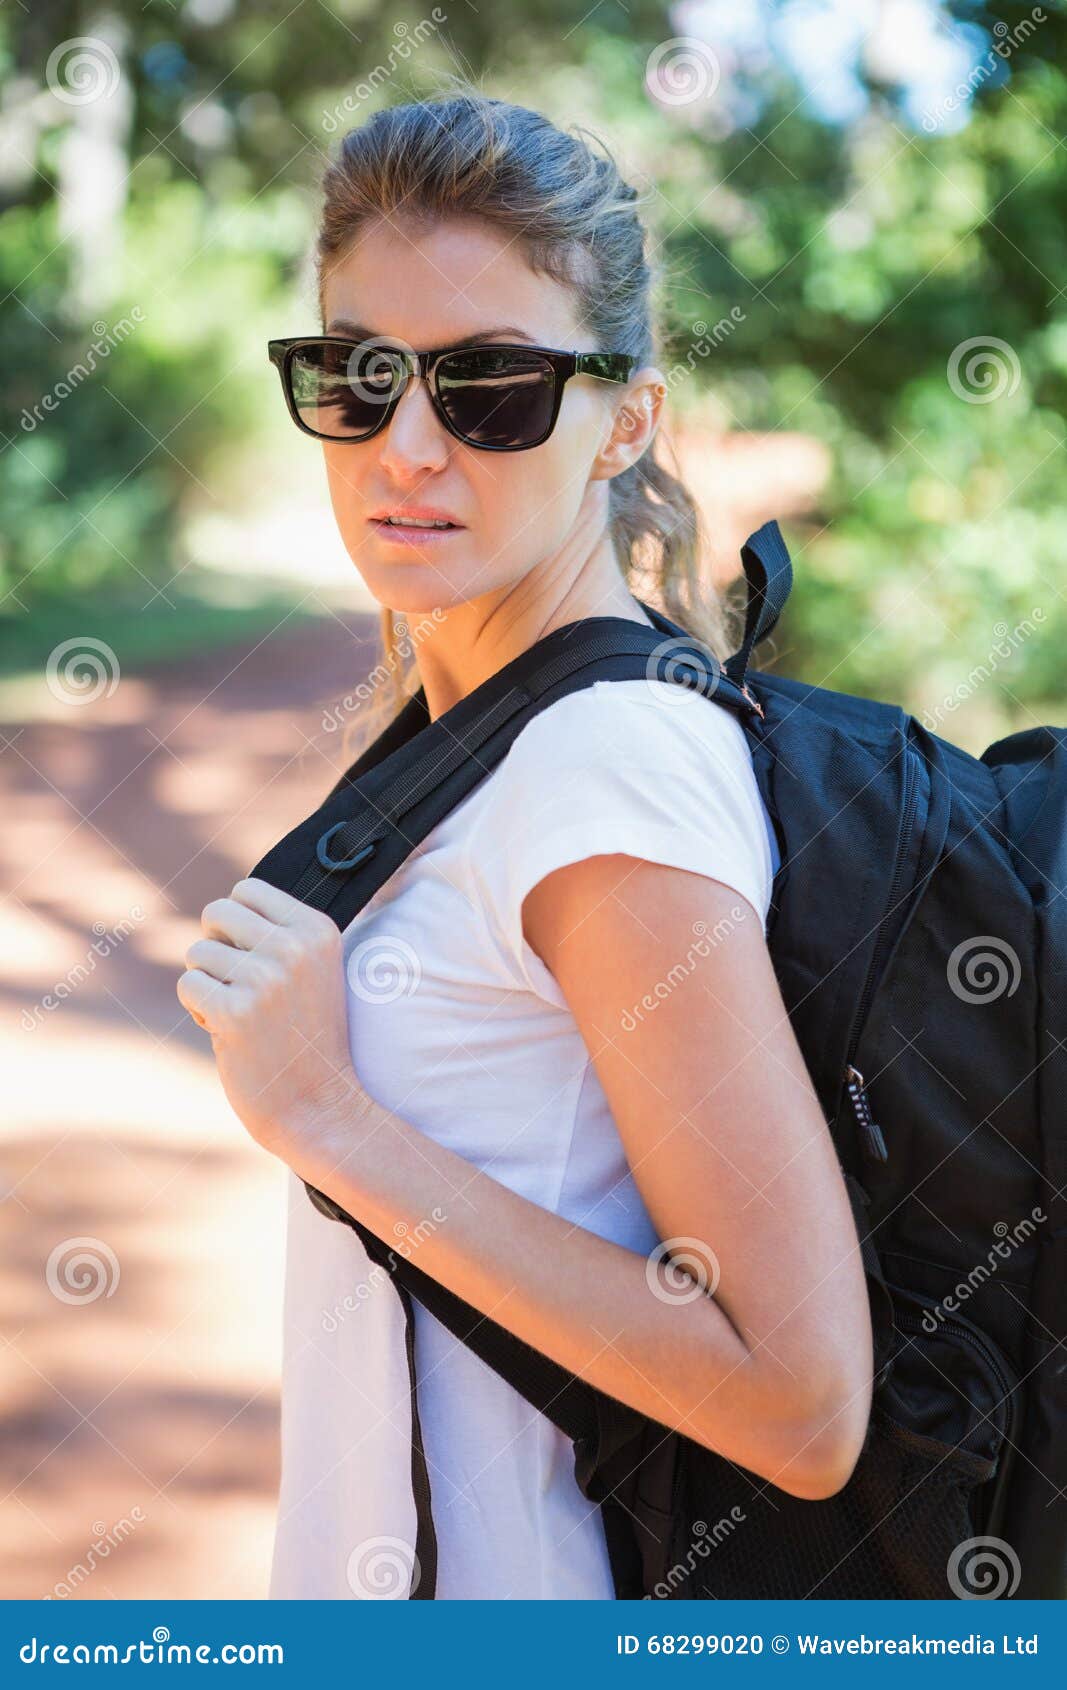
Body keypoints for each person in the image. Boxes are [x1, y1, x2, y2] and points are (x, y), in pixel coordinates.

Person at [176, 85, 873, 1601]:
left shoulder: (603, 770)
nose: (407, 447)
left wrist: (331, 1119)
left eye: (488, 385)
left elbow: (804, 1396)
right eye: (361, 377)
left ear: (627, 416)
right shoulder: (475, 733)